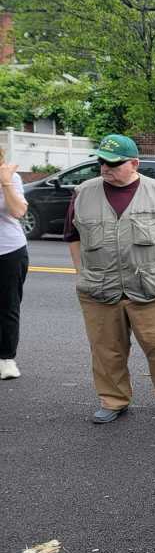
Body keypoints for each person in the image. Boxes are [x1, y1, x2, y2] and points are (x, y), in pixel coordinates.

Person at [64, 134, 155, 423]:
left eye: (113, 163)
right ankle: (113, 400)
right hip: (100, 290)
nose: (105, 168)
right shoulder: (83, 193)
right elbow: (72, 236)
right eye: (101, 162)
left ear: (134, 163)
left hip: (154, 289)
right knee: (106, 352)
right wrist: (81, 272)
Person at [0, 148, 29, 380]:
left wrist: (6, 183)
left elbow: (18, 211)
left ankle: (6, 359)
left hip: (9, 251)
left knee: (8, 306)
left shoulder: (11, 177)